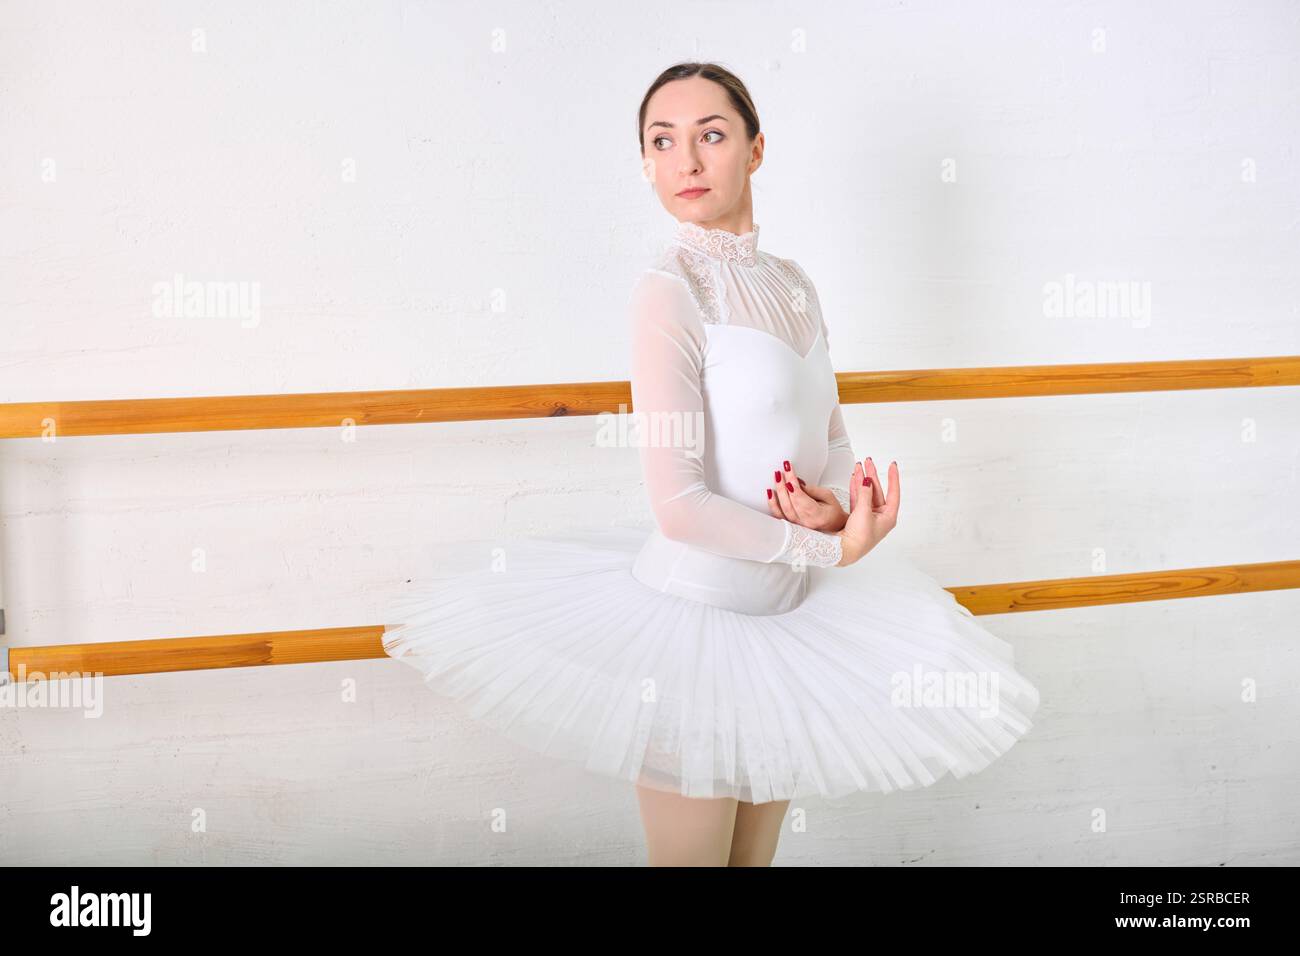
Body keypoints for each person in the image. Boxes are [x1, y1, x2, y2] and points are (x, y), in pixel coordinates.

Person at [383, 61, 1040, 866]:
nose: (686, 161)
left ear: (756, 150)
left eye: (711, 135)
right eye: (663, 141)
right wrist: (831, 548)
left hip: (788, 629)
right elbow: (680, 503)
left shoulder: (794, 283)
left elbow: (830, 436)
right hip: (691, 631)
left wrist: (835, 504)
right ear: (648, 164)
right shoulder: (670, 288)